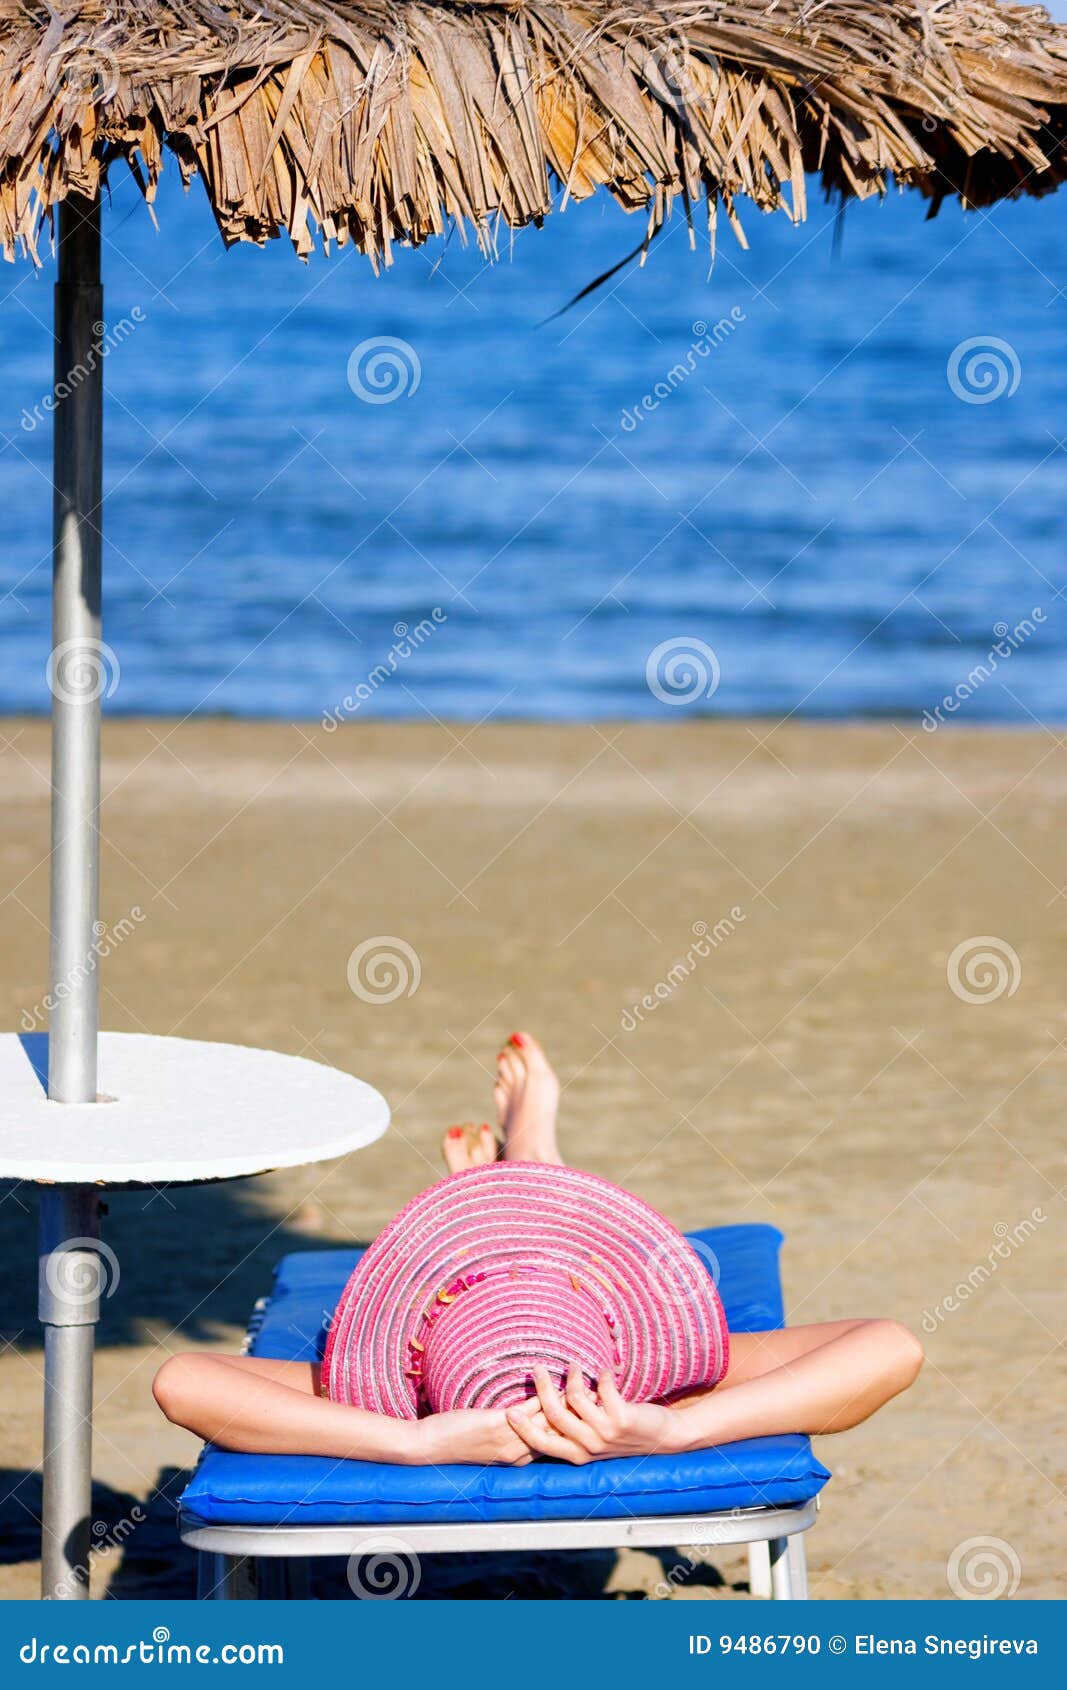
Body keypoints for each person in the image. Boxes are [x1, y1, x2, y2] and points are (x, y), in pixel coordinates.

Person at [154, 1033, 922, 1466]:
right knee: (532, 1238)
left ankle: (519, 1168)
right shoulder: (654, 1389)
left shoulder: (387, 1386)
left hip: (492, 1337)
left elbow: (186, 1381)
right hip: (576, 1349)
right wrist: (673, 1427)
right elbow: (890, 1348)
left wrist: (416, 1437)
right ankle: (528, 1159)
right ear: (618, 1318)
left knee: (522, 1244)